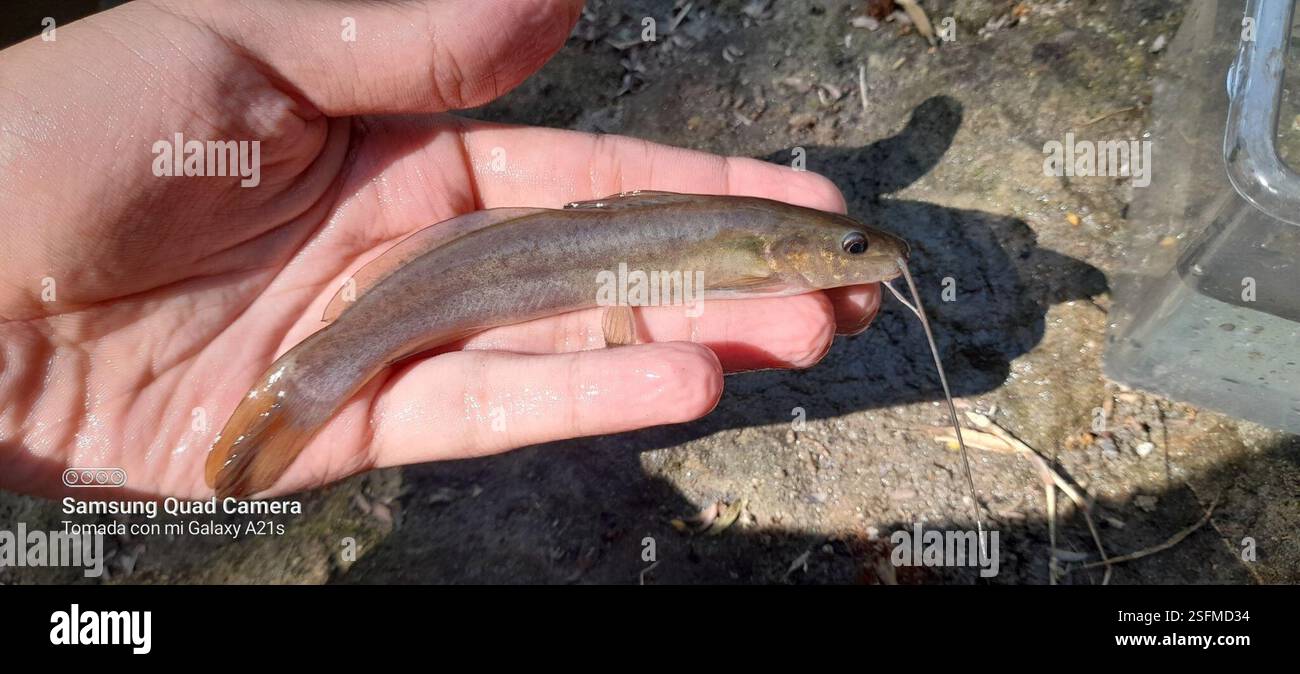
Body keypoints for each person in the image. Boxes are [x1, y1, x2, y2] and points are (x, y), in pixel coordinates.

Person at [0, 0, 880, 499]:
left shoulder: (767, 245)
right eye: (847, 249)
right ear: (781, 251)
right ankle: (317, 380)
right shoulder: (759, 242)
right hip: (452, 276)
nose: (859, 257)